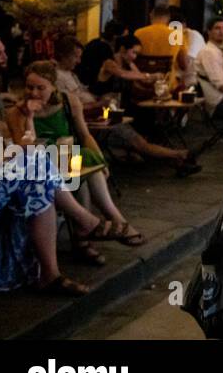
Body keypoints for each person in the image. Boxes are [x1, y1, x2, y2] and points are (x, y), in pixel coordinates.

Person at [0, 58, 95, 296]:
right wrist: (12, 154)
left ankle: (52, 272)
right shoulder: (14, 111)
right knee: (36, 165)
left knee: (38, 174)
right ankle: (86, 223)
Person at [7, 61, 145, 251]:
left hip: (68, 155)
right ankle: (94, 234)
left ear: (53, 86)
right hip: (41, 163)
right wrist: (29, 116)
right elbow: (23, 148)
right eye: (30, 87)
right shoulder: (17, 112)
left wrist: (101, 160)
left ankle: (96, 230)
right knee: (81, 177)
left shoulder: (69, 102)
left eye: (41, 88)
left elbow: (84, 135)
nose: (34, 93)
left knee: (87, 165)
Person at [55, 36, 198, 174]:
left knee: (140, 139)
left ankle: (177, 159)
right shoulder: (61, 76)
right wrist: (100, 103)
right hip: (94, 121)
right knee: (139, 142)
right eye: (75, 57)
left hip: (103, 114)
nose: (79, 61)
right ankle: (180, 155)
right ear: (63, 55)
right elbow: (71, 106)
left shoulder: (71, 74)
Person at [134, 4, 189, 81]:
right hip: (166, 83)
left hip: (141, 82)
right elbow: (184, 66)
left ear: (151, 16)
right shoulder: (176, 35)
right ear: (168, 18)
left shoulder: (138, 33)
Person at [78, 20, 124, 92]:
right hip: (96, 88)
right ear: (115, 37)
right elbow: (118, 72)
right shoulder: (105, 49)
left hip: (85, 83)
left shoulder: (94, 42)